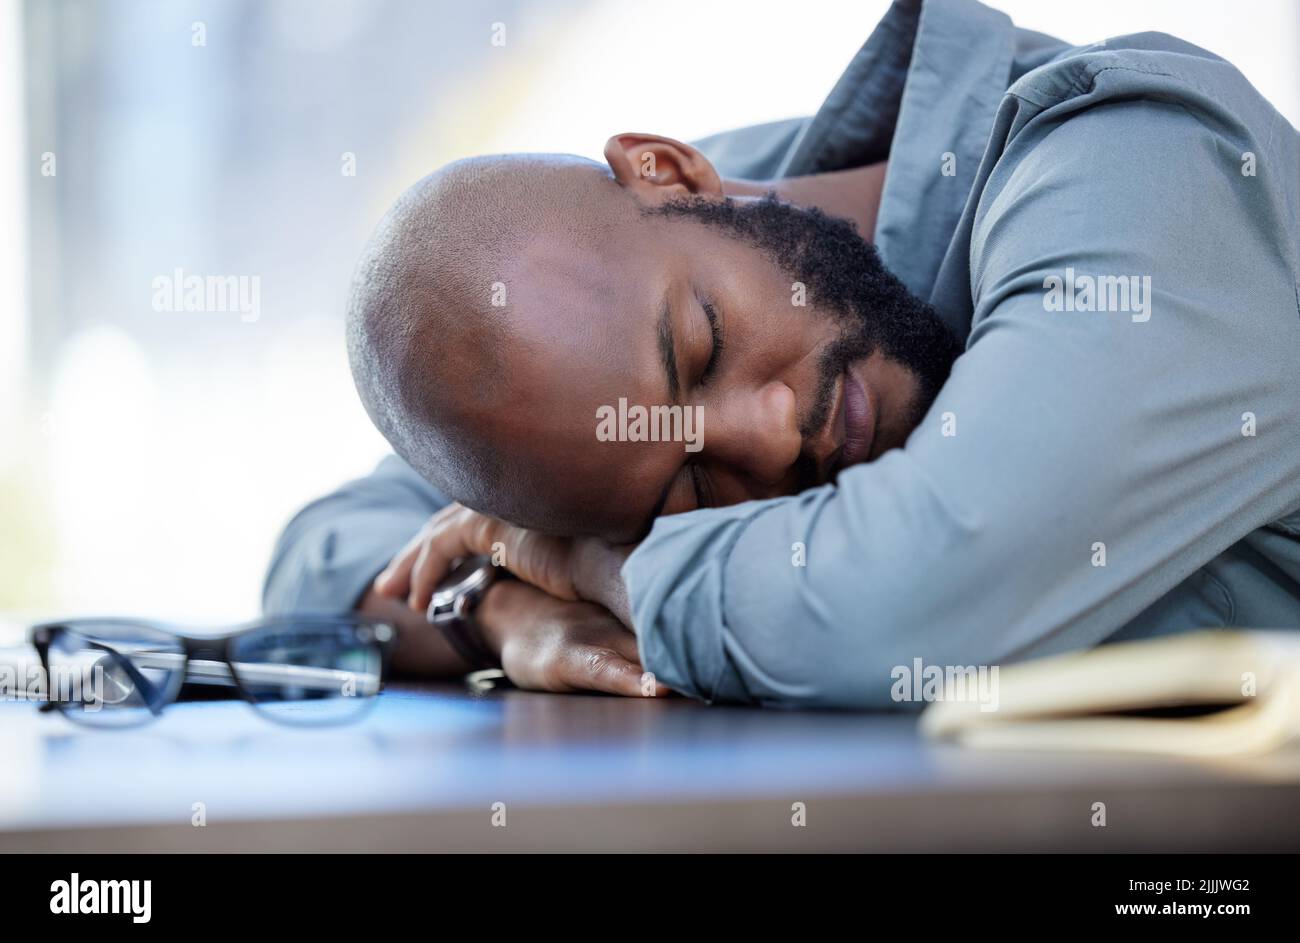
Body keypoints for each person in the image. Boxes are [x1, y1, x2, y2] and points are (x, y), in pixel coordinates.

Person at [265, 0, 1300, 707]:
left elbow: (899, 604)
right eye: (677, 479)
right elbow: (324, 550)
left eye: (700, 347)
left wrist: (587, 560)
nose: (762, 436)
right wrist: (498, 612)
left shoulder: (1144, 168)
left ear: (671, 171)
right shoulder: (660, 273)